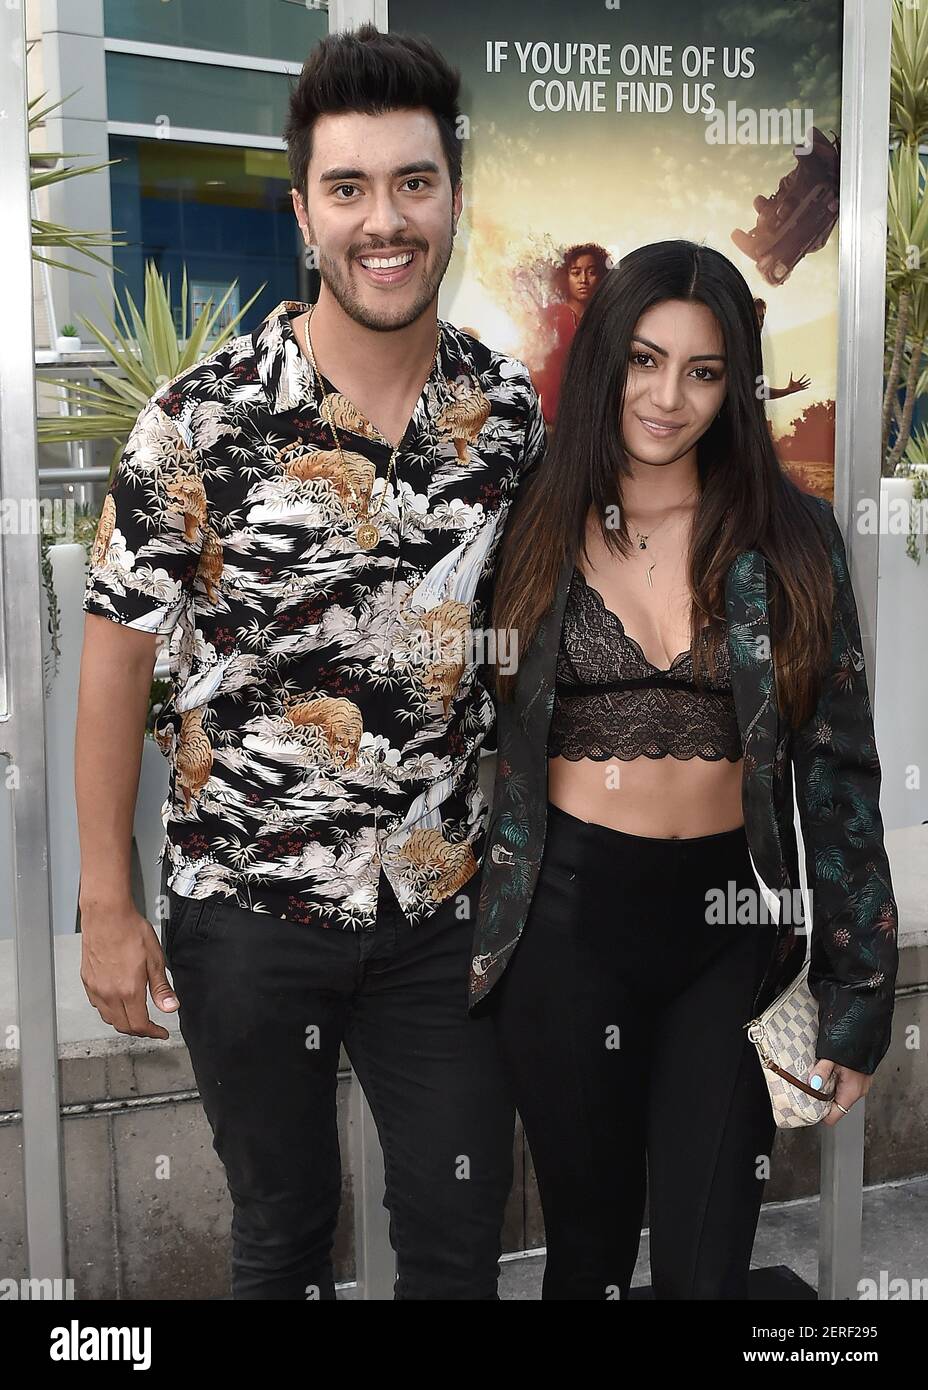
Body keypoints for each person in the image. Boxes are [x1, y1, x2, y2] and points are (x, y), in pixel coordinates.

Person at [75, 23, 547, 1301]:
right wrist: (108, 905)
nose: (381, 221)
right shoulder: (195, 419)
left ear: (451, 196)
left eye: (411, 183)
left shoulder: (508, 419)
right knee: (282, 1236)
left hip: (440, 910)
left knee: (458, 1238)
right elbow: (115, 661)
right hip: (246, 904)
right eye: (348, 189)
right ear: (303, 211)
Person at [469, 240, 899, 1300]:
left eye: (703, 371)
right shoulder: (526, 522)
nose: (668, 397)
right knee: (589, 1257)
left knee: (707, 1266)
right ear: (605, 358)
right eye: (645, 361)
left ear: (734, 385)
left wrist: (856, 1002)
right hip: (565, 935)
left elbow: (837, 777)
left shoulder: (790, 538)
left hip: (725, 939)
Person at [529, 243, 610, 424]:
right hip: (553, 423)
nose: (583, 279)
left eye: (591, 272)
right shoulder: (549, 317)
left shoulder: (608, 320)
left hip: (596, 423)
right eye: (575, 272)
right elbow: (534, 370)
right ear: (565, 278)